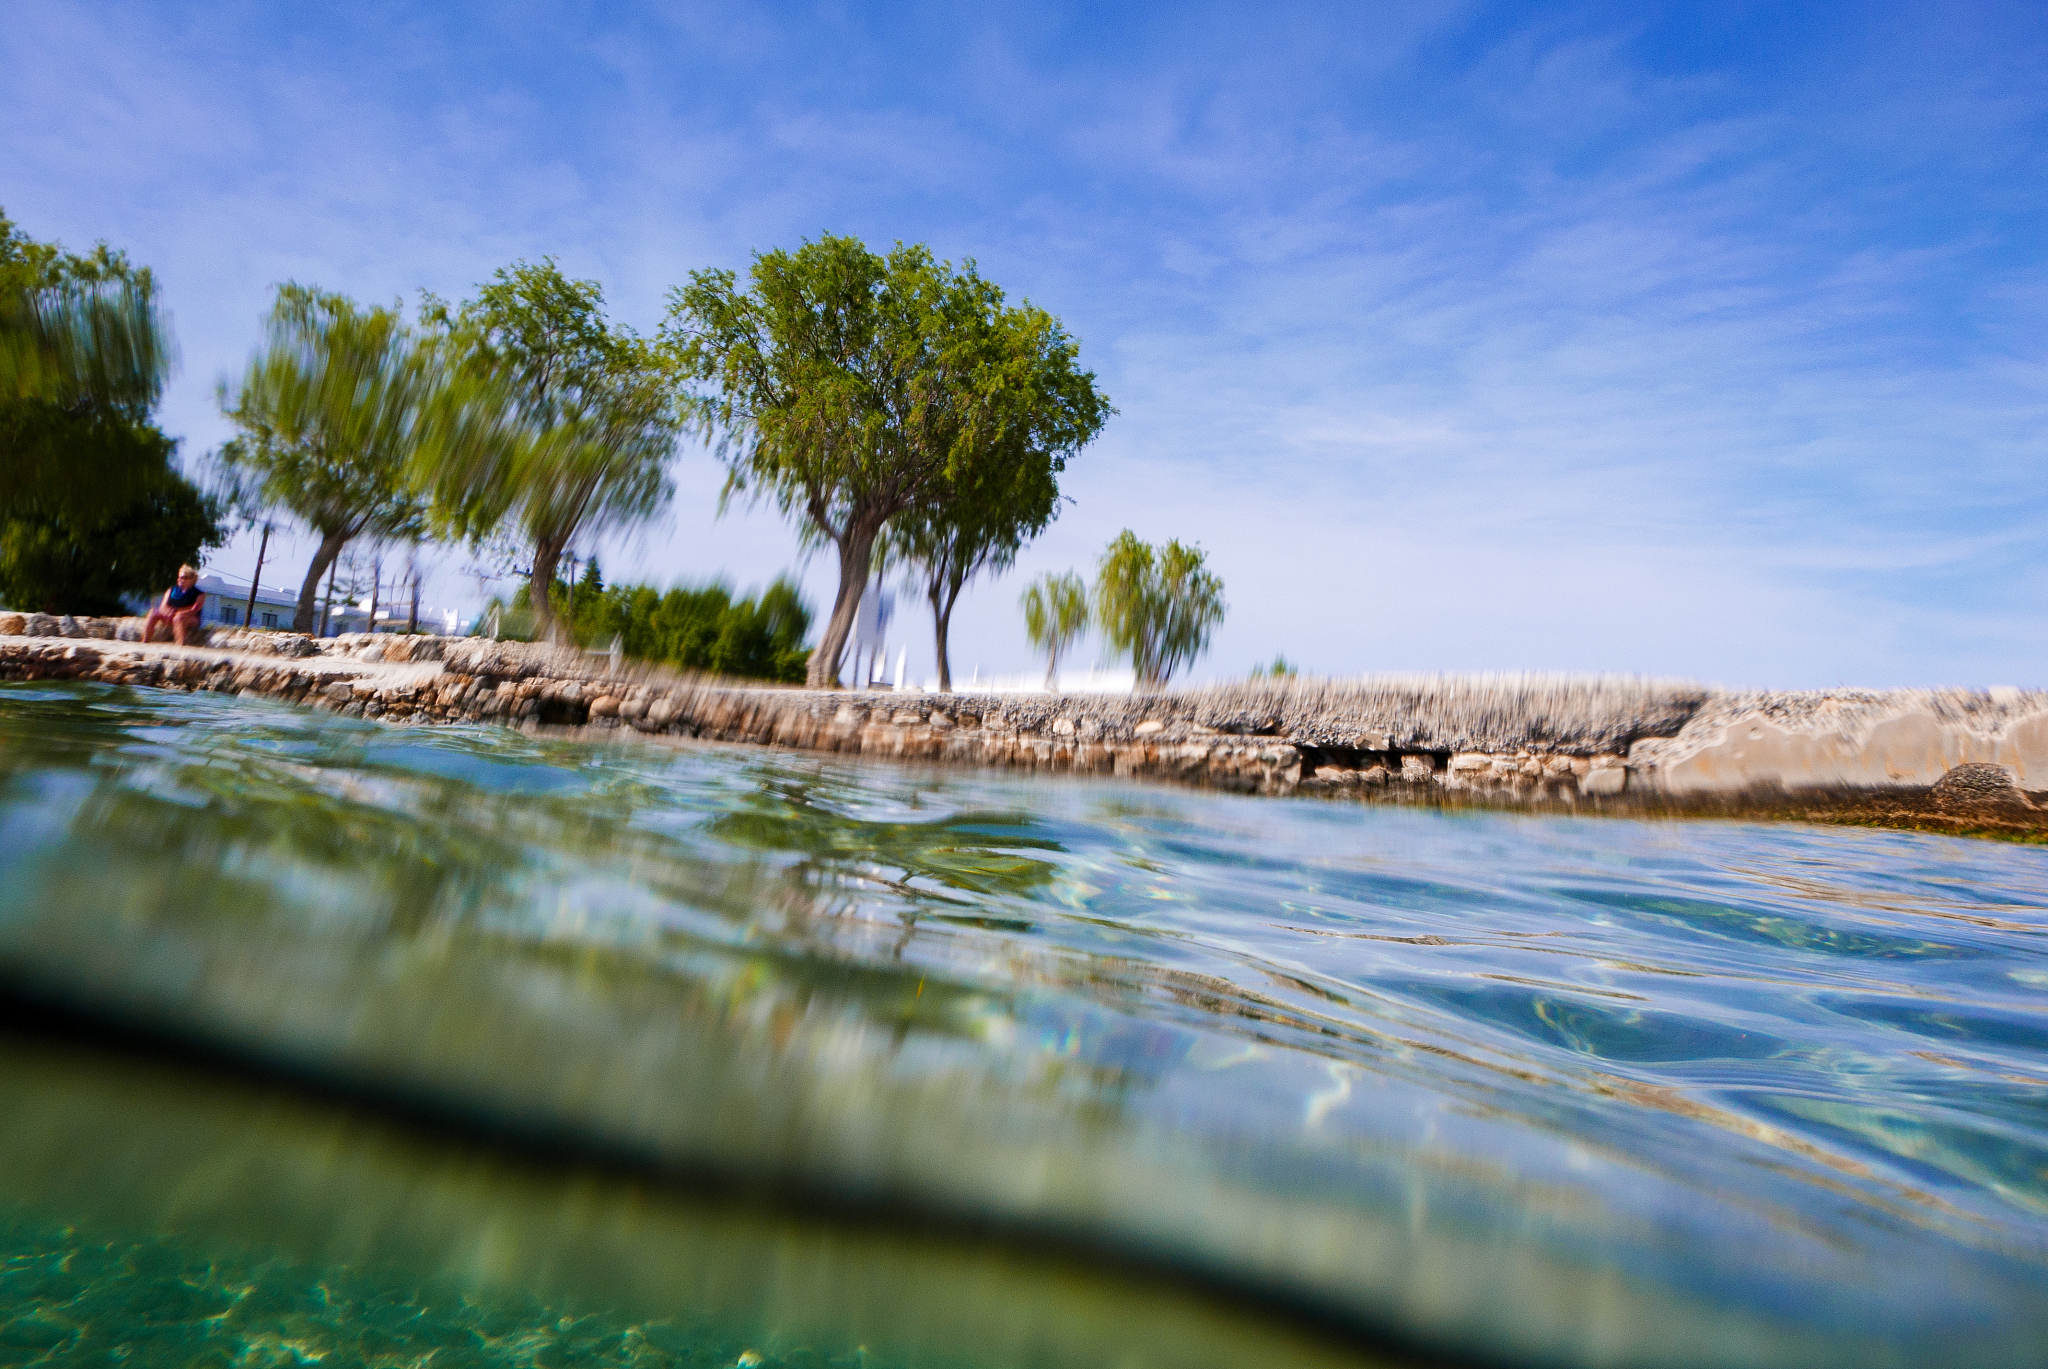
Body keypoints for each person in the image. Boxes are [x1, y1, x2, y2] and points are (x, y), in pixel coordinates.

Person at [144, 565, 206, 645]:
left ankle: (180, 644)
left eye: (184, 577)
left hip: (190, 618)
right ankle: (145, 641)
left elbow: (194, 610)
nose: (180, 580)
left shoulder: (199, 594)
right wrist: (167, 613)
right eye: (180, 577)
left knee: (178, 618)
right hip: (171, 615)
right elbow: (163, 605)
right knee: (153, 612)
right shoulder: (171, 590)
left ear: (191, 579)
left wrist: (176, 613)